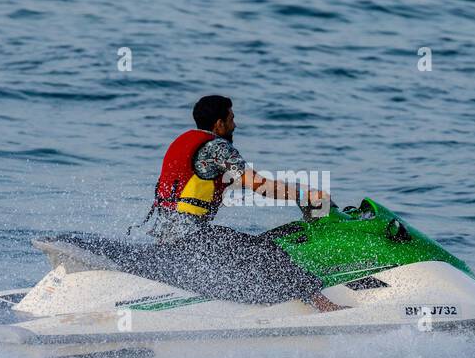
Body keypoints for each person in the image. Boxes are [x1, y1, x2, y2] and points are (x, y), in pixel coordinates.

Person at [139, 95, 347, 312]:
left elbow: (235, 183)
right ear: (219, 124)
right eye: (231, 119)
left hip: (165, 240)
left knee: (248, 247)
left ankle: (267, 297)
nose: (235, 125)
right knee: (267, 250)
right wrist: (305, 195)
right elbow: (259, 185)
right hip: (192, 239)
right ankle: (325, 306)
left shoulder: (184, 143)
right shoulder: (217, 148)